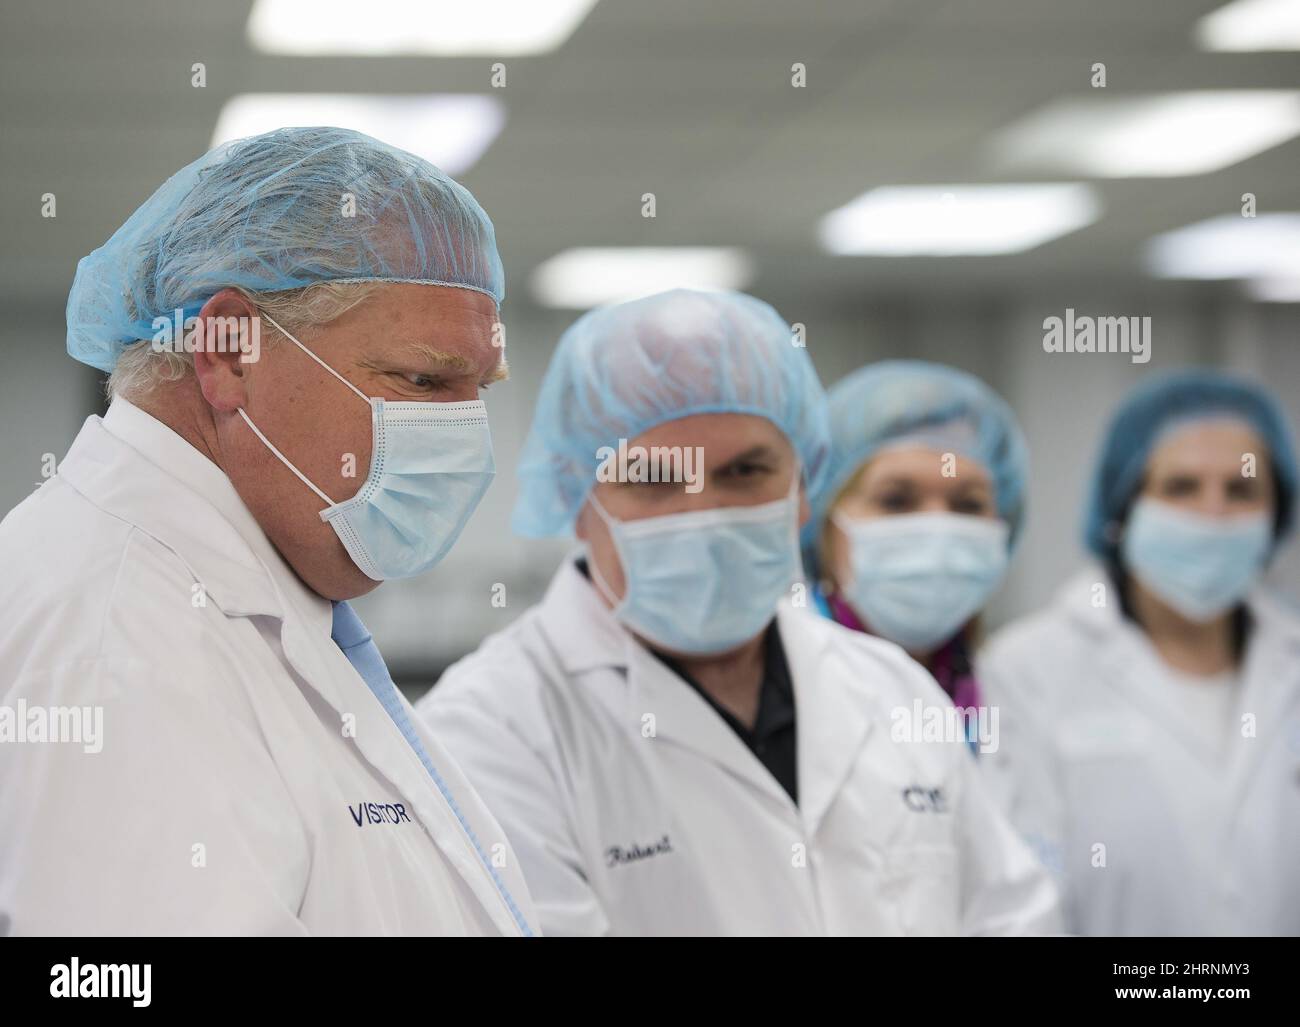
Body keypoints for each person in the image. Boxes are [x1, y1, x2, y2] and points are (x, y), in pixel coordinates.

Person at [0, 126, 537, 936]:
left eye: (478, 390)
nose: (461, 433)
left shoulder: (248, 592)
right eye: (421, 379)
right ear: (229, 352)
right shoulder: (122, 642)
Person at [417, 289, 1060, 936]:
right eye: (656, 477)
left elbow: (1011, 915)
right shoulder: (490, 730)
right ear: (578, 501)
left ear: (805, 487)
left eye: (746, 470)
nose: (706, 513)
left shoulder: (890, 686)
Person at [980, 371, 1300, 936]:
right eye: (1181, 487)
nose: (1214, 511)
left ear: (1276, 516)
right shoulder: (1029, 669)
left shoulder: (1288, 659)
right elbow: (1023, 897)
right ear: (1122, 507)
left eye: (1242, 489)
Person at [805, 361, 1028, 739]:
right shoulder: (786, 689)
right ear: (824, 521)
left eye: (968, 505)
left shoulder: (1019, 695)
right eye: (896, 501)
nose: (938, 529)